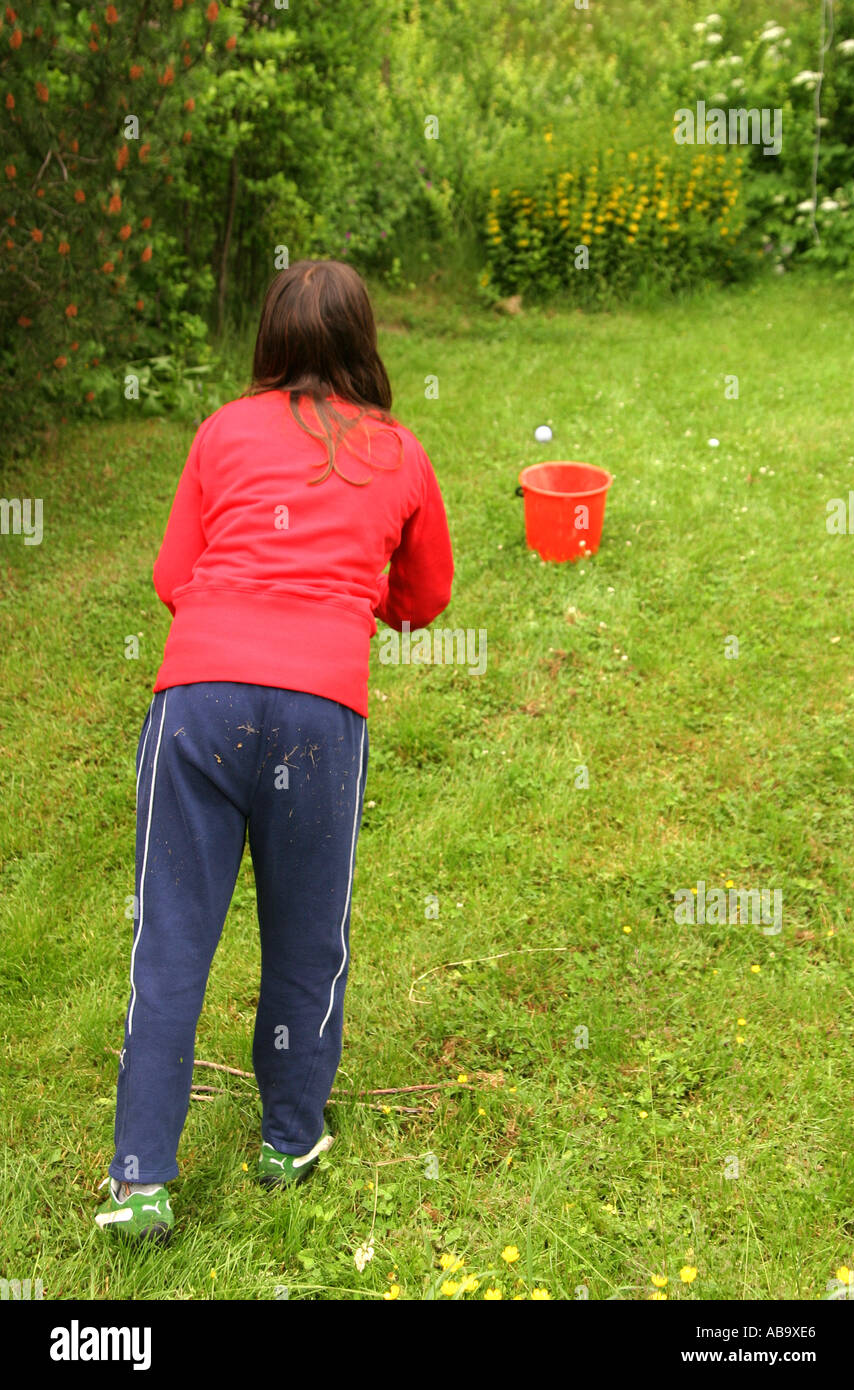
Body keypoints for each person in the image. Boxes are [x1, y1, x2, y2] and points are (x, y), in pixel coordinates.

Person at [95, 259, 454, 1242]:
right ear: (362, 342)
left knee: (169, 940)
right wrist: (348, 588)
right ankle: (288, 1139)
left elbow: (176, 575)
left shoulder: (219, 431)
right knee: (306, 935)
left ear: (270, 340)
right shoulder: (400, 454)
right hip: (319, 716)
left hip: (197, 701)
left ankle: (137, 1183)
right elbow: (424, 600)